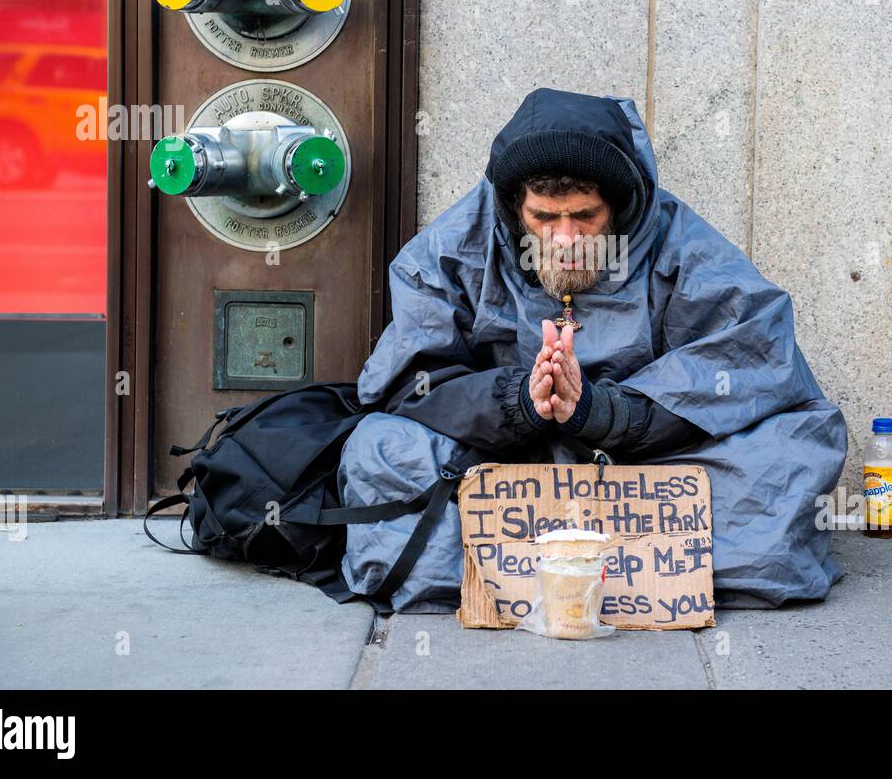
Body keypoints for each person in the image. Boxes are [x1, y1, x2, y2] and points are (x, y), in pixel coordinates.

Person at [338, 87, 847, 612]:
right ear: (516, 209)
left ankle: (536, 572)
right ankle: (643, 573)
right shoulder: (453, 246)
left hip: (646, 455)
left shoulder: (678, 242)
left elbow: (753, 353)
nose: (564, 239)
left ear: (618, 208)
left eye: (585, 216)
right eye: (543, 218)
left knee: (795, 445)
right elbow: (409, 378)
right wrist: (518, 402)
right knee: (381, 446)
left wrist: (603, 411)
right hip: (506, 453)